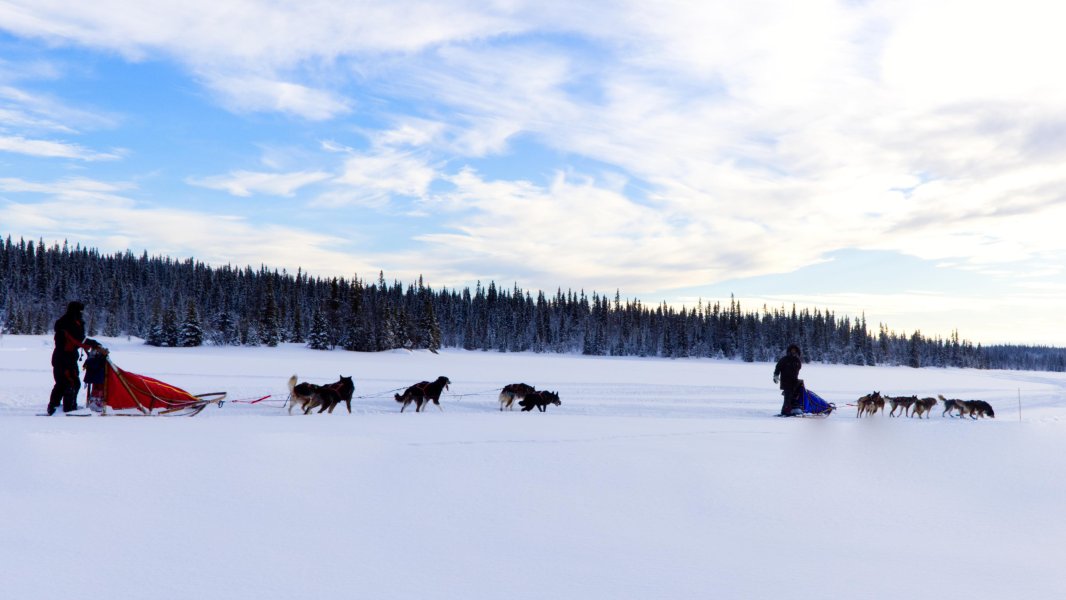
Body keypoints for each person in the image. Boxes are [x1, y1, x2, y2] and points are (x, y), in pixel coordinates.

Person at [47, 301, 102, 415]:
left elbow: (77, 340)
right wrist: (93, 344)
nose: (82, 313)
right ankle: (67, 408)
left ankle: (56, 406)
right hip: (63, 357)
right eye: (80, 311)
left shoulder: (70, 321)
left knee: (65, 383)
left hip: (68, 356)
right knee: (70, 383)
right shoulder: (69, 322)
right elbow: (78, 339)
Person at [773, 344, 803, 416]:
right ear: (789, 351)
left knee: (794, 396)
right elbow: (778, 367)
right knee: (788, 397)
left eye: (795, 350)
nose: (793, 352)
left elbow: (798, 369)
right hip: (786, 382)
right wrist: (776, 376)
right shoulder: (784, 359)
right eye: (792, 350)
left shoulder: (797, 360)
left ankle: (792, 409)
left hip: (794, 382)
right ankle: (785, 411)